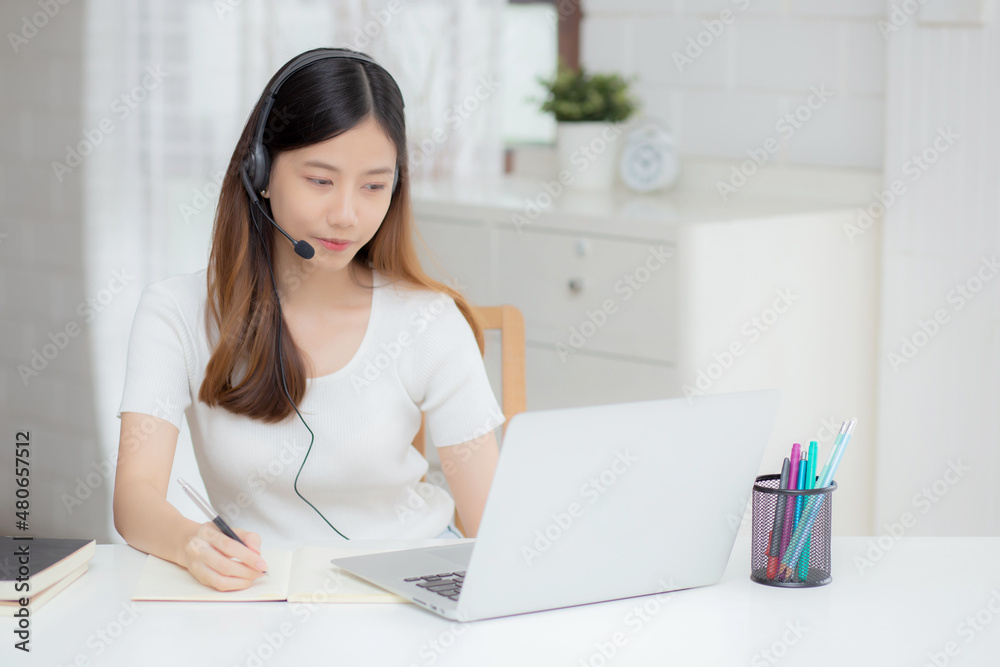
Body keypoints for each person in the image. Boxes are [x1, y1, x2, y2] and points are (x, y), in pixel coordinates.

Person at [112, 48, 505, 592]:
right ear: (260, 173)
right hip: (260, 592)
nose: (347, 214)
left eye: (373, 186)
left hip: (408, 592)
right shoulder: (175, 314)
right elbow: (135, 498)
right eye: (320, 180)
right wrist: (190, 542)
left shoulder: (428, 322)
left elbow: (494, 528)